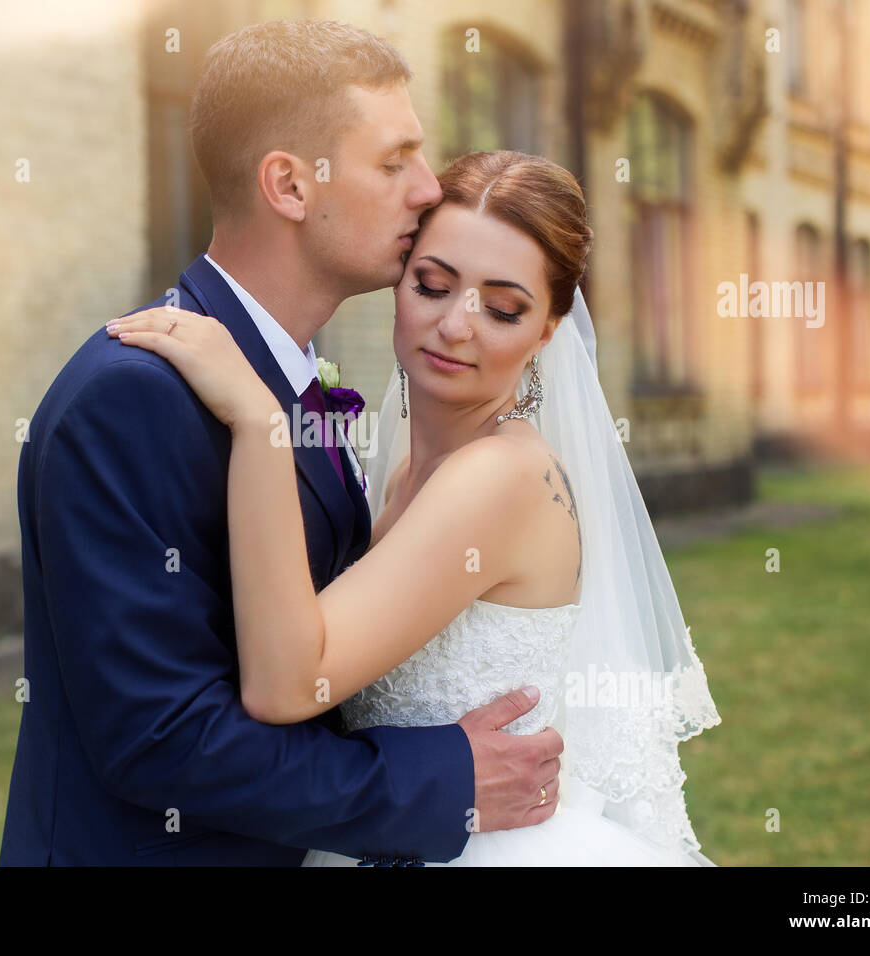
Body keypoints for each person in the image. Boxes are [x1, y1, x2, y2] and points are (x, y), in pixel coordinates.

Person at [0, 19, 563, 866]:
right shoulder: (132, 399)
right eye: (393, 160)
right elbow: (163, 738)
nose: (426, 190)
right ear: (290, 186)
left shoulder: (292, 384)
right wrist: (440, 778)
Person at [109, 147, 721, 865]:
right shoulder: (401, 471)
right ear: (400, 280)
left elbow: (289, 685)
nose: (457, 326)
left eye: (502, 308)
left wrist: (257, 418)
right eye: (433, 285)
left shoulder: (501, 477)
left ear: (548, 330)